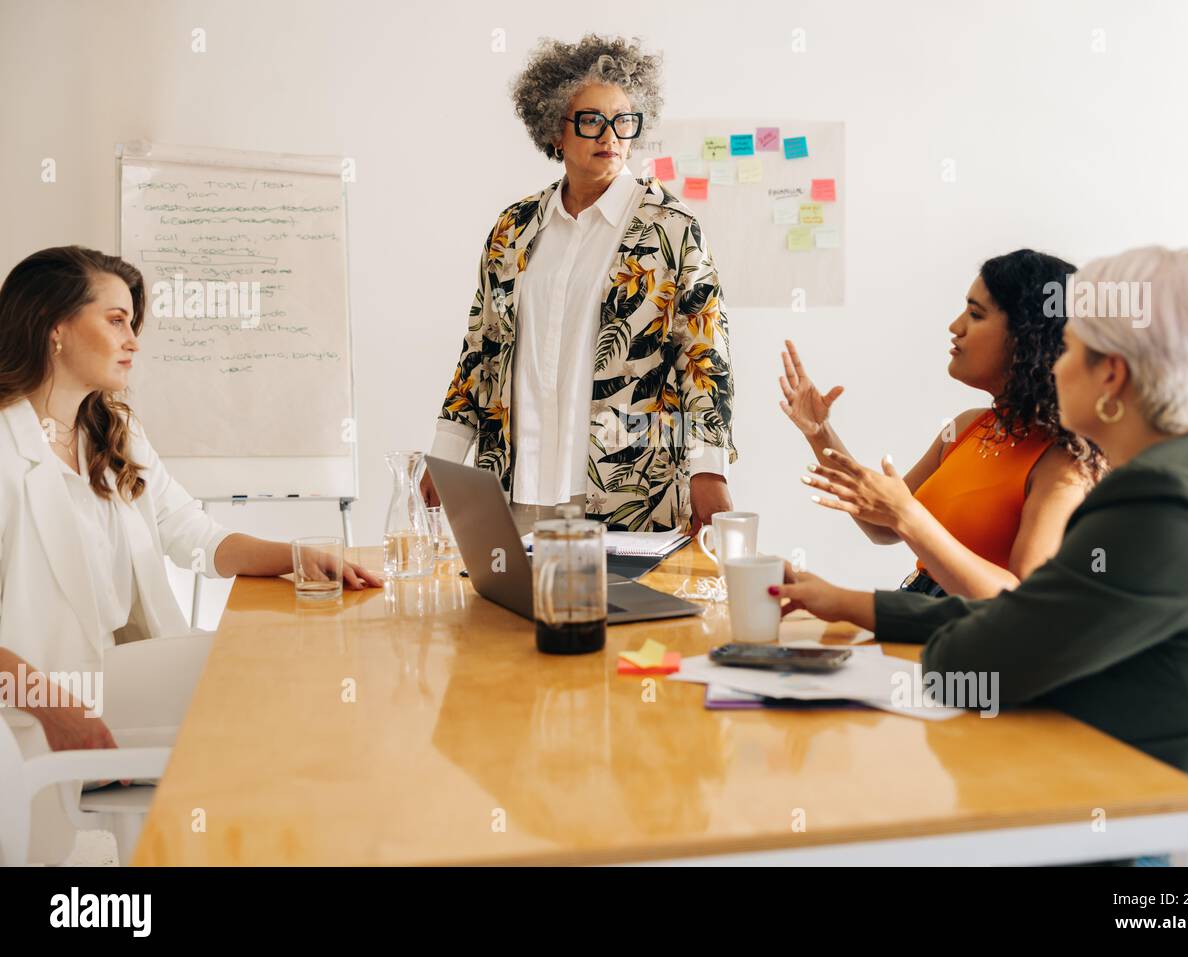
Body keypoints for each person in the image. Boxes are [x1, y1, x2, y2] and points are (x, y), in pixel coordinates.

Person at [772, 247, 1188, 862]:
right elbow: (1039, 616)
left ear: (1113, 376)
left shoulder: (1153, 505)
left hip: (1135, 847)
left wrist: (934, 627)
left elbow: (978, 657)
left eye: (1071, 347)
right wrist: (849, 602)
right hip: (1168, 810)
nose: (1056, 363)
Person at [0, 246, 382, 863]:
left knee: (284, 670)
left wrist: (297, 554)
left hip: (111, 677)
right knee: (266, 696)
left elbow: (196, 536)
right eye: (116, 320)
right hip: (33, 702)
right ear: (56, 328)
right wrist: (54, 707)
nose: (133, 341)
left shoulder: (112, 431)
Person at [423, 34, 737, 535]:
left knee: (625, 613)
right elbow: (480, 347)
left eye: (623, 120)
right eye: (591, 120)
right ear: (555, 131)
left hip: (629, 487)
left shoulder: (671, 227)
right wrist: (446, 454)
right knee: (511, 613)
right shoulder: (514, 228)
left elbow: (703, 355)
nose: (610, 135)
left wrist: (708, 468)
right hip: (514, 484)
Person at [781, 250, 1103, 599]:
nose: (955, 327)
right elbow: (882, 525)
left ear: (1028, 338)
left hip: (977, 640)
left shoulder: (1066, 461)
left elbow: (1027, 601)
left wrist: (908, 516)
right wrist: (819, 431)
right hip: (921, 613)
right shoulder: (967, 428)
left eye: (976, 314)